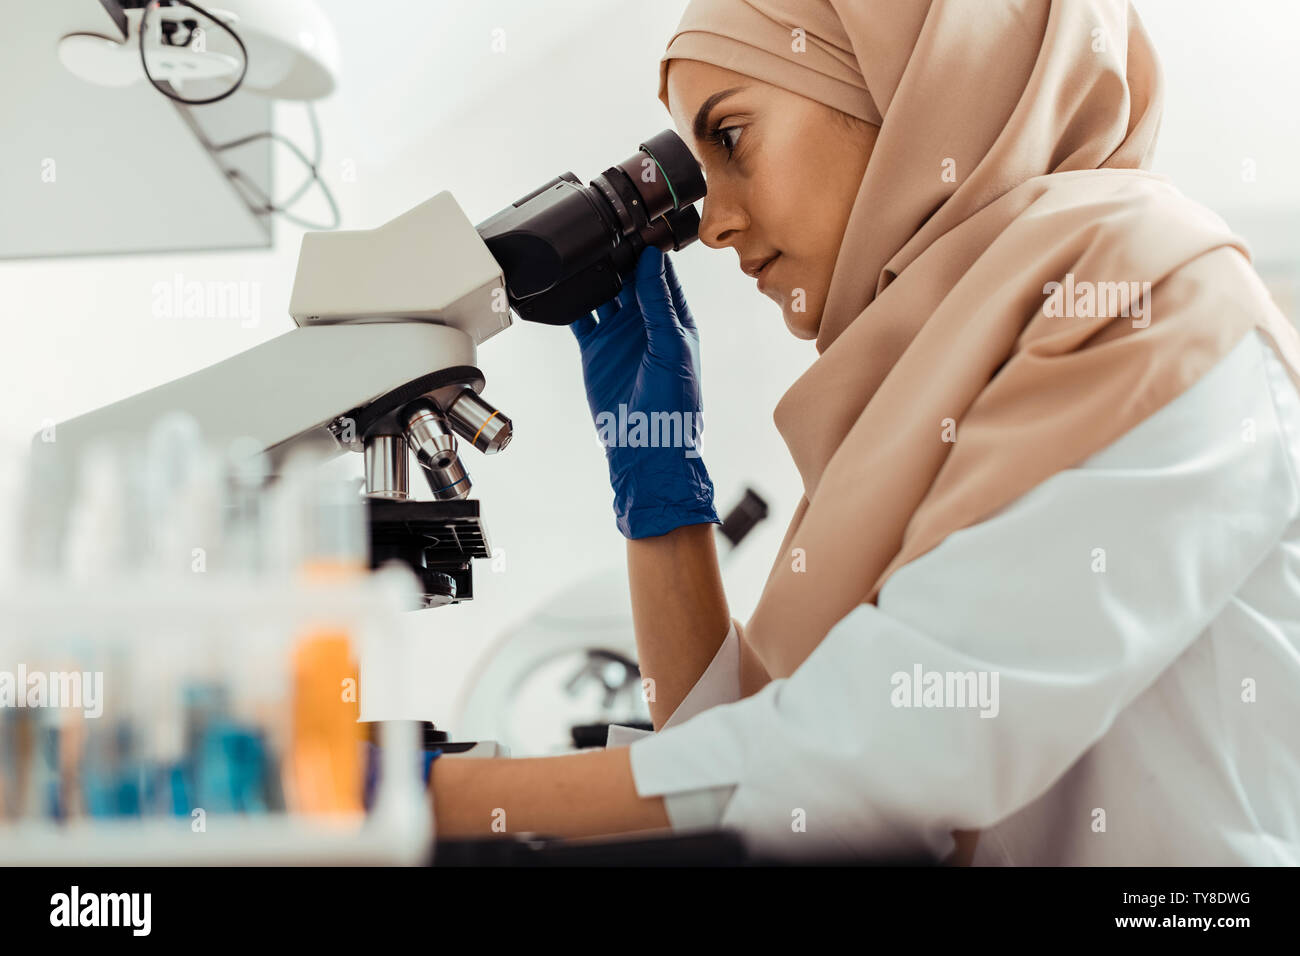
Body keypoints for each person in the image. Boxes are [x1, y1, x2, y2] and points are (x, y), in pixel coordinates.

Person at [428, 0, 1300, 865]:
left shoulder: (1154, 297)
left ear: (916, 86)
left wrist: (418, 794)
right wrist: (663, 496)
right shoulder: (917, 382)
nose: (714, 224)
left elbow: (883, 758)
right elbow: (740, 767)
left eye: (730, 137)